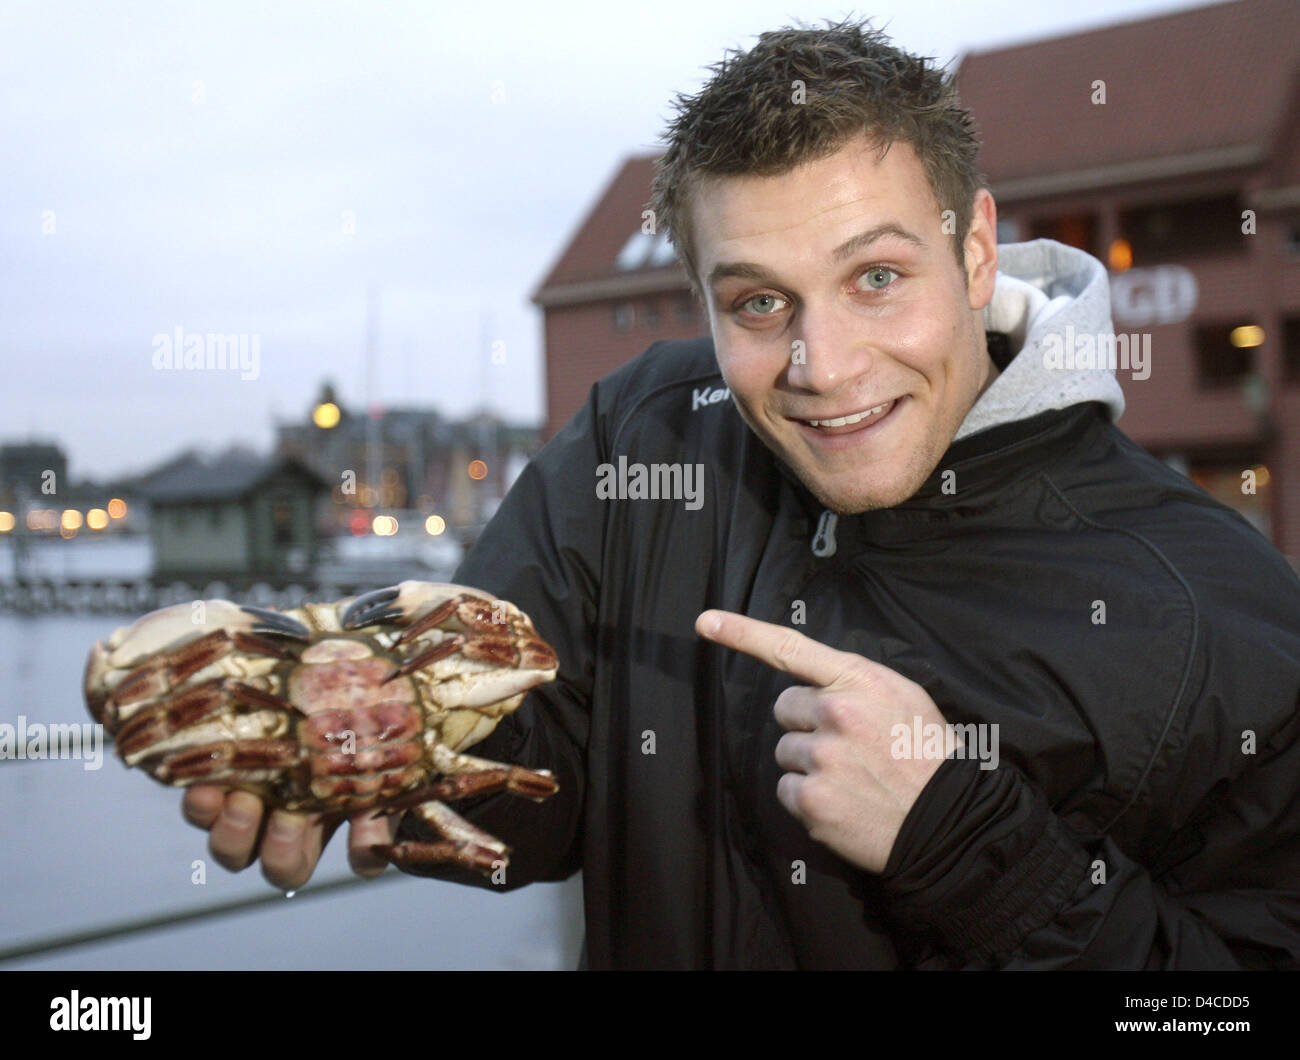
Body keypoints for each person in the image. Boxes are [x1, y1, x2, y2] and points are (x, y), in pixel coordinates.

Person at [182, 20, 1300, 969]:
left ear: (973, 254)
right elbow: (532, 759)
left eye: (876, 279)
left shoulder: (1216, 613)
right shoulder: (647, 432)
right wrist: (365, 749)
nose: (824, 363)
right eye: (760, 303)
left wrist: (963, 842)